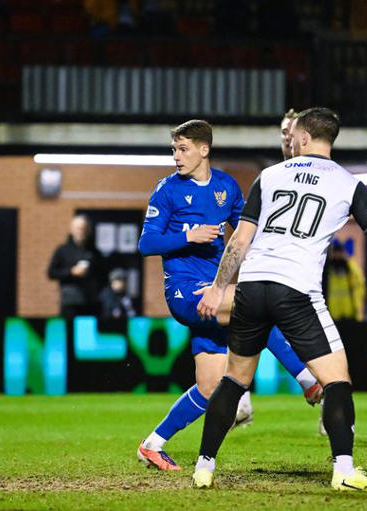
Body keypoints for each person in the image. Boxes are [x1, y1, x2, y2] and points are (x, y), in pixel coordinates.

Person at [193, 107, 367, 491]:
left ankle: (204, 467)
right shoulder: (348, 183)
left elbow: (240, 240)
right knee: (337, 381)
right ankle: (344, 470)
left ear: (303, 137)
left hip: (251, 287)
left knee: (234, 380)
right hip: (296, 289)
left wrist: (218, 288)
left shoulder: (269, 175)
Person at [135, 119, 322, 471]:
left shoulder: (226, 187)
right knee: (258, 305)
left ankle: (152, 445)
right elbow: (146, 243)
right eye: (174, 149)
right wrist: (189, 236)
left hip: (216, 294)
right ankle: (308, 380)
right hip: (186, 293)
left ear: (204, 149)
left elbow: (249, 232)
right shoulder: (167, 190)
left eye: (183, 149)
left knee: (208, 388)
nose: (176, 156)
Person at [47, 215, 104, 318]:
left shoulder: (95, 252)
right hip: (70, 302)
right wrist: (71, 271)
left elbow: (102, 274)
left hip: (90, 302)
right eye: (78, 228)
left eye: (84, 229)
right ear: (72, 230)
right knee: (69, 327)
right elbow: (51, 273)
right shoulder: (62, 250)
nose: (81, 231)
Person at [325, 239, 366, 320]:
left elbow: (359, 286)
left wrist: (358, 307)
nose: (338, 255)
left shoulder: (350, 267)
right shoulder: (328, 268)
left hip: (349, 310)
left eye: (340, 252)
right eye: (335, 252)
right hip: (332, 311)